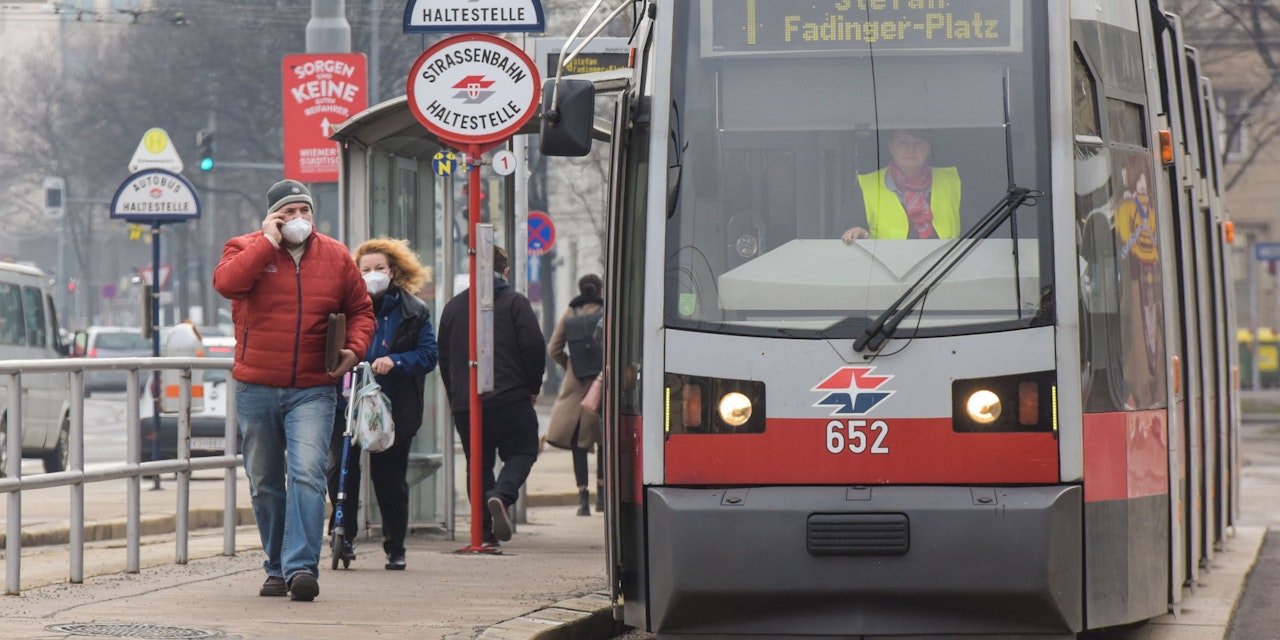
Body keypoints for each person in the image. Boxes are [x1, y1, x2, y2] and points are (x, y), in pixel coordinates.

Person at [212, 179, 376, 602]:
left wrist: (354, 350)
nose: (297, 219)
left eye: (304, 210)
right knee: (265, 480)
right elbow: (227, 283)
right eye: (287, 212)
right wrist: (266, 244)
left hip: (313, 388)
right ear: (271, 217)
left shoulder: (336, 256)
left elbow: (361, 311)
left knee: (306, 473)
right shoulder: (244, 248)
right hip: (256, 385)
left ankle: (301, 566)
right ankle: (275, 566)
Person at [326, 237, 439, 571]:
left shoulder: (413, 310)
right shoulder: (345, 306)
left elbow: (429, 355)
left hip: (391, 405)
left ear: (393, 271)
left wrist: (396, 361)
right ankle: (342, 535)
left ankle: (395, 545)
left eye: (380, 269)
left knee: (389, 478)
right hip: (347, 402)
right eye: (366, 270)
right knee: (340, 468)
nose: (373, 275)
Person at [437, 246, 546, 546]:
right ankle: (502, 495)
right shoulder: (515, 302)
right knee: (523, 450)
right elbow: (534, 346)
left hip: (466, 402)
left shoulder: (453, 307)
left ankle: (484, 534)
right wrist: (532, 387)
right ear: (505, 272)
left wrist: (456, 395)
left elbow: (443, 358)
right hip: (510, 396)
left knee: (478, 463)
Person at [545, 274, 605, 516]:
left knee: (578, 441)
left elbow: (553, 348)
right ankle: (602, 496)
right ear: (600, 290)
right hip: (602, 381)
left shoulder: (570, 314)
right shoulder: (607, 311)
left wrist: (570, 364)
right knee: (604, 439)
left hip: (576, 382)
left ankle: (583, 498)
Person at [841, 129, 962, 241]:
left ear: (929, 148)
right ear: (891, 147)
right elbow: (843, 232)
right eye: (903, 143)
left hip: (947, 262)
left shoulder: (953, 181)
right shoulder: (866, 185)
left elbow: (974, 234)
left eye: (918, 143)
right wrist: (855, 231)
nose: (911, 149)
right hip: (886, 262)